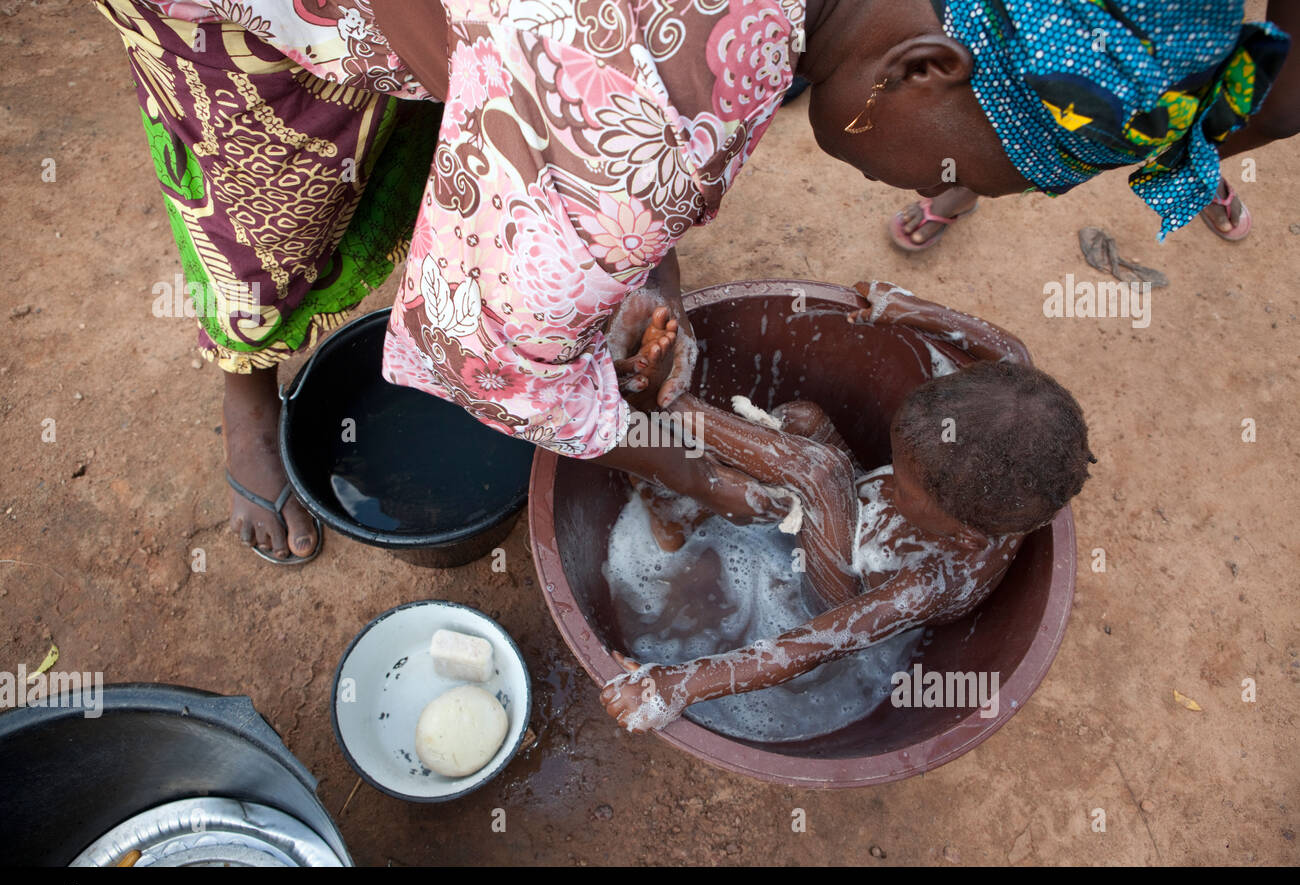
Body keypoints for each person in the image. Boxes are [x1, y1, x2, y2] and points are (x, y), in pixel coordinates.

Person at [96, 0, 1283, 564]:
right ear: (927, 64)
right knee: (272, 205)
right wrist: (687, 457)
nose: (925, 184)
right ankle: (248, 391)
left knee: (475, 154)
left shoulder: (732, 51)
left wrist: (644, 250)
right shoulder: (648, 72)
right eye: (956, 167)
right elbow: (483, 357)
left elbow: (607, 113)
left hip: (517, 36)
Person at [599, 282, 1095, 732]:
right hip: (860, 516)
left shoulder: (932, 582)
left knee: (820, 476)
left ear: (965, 536)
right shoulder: (1007, 463)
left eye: (902, 487)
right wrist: (911, 309)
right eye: (897, 465)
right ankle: (707, 487)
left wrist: (675, 685)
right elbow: (1012, 352)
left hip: (843, 588)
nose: (893, 482)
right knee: (804, 418)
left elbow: (807, 646)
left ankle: (667, 404)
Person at [891, 0, 1300, 250]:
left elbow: (1281, 108)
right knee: (1016, 95)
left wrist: (1215, 137)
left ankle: (1197, 160)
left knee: (1274, 109)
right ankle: (970, 186)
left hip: (1188, 45)